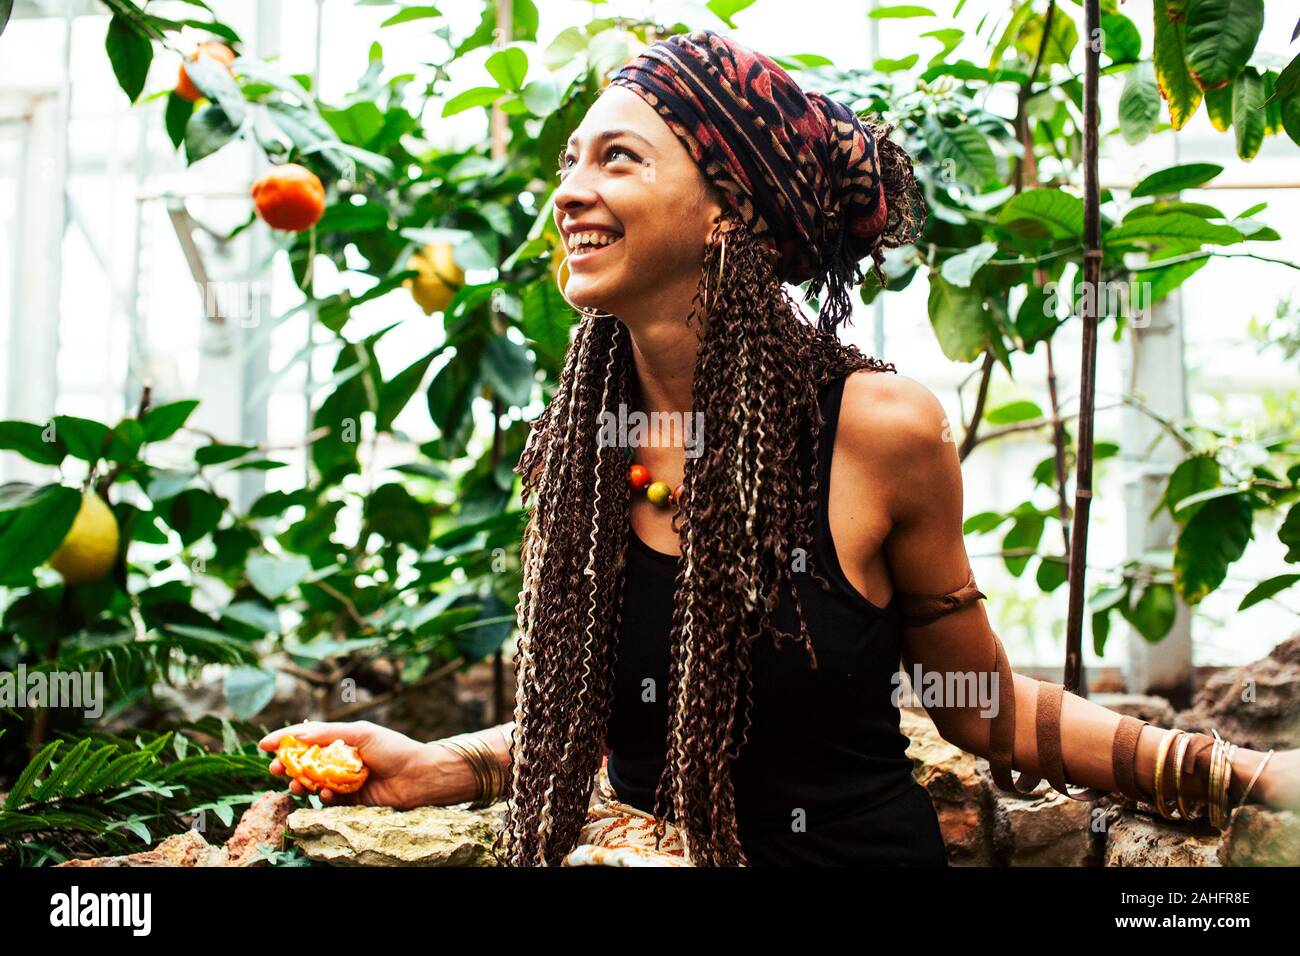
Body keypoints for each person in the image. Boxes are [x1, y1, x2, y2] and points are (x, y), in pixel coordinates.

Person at [259, 29, 1300, 867]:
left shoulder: (879, 428)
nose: (569, 191)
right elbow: (593, 717)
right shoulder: (577, 443)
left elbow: (977, 705)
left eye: (616, 157)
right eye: (570, 159)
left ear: (727, 206)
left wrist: (1244, 776)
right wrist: (434, 763)